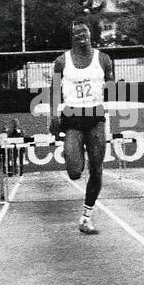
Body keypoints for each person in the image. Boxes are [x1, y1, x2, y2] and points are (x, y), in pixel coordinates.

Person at [51, 17, 114, 234]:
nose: (81, 36)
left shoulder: (104, 59)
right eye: (77, 33)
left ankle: (86, 217)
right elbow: (53, 92)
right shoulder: (61, 61)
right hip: (72, 119)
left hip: (95, 117)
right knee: (74, 172)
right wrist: (53, 117)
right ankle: (76, 154)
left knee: (96, 169)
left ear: (90, 34)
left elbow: (112, 90)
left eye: (84, 32)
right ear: (72, 37)